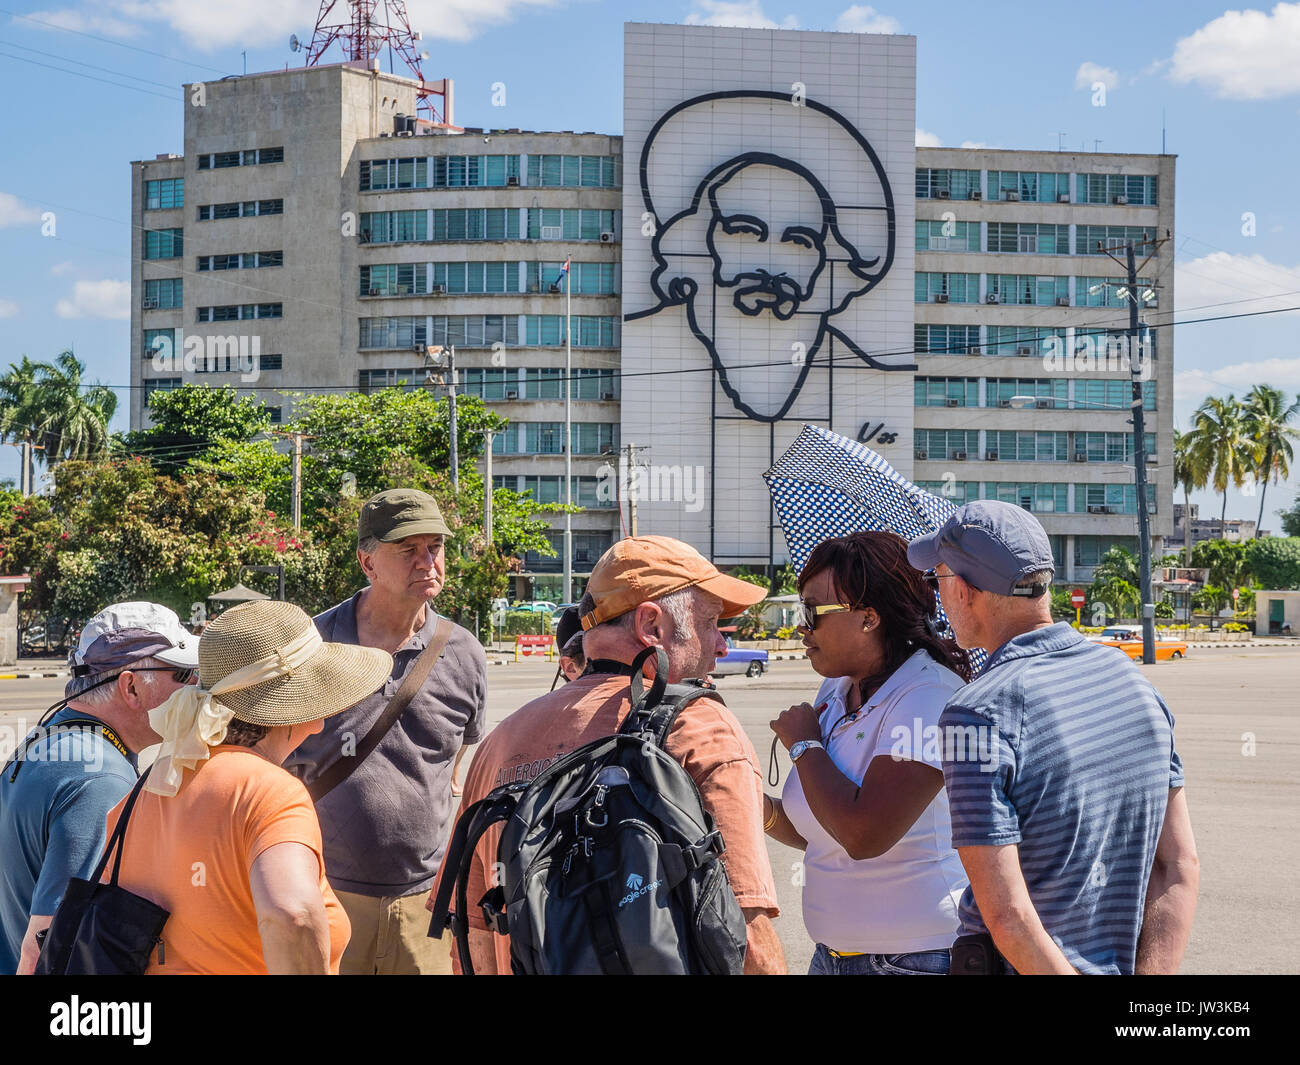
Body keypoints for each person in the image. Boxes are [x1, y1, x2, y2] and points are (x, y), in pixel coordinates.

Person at [435, 535, 786, 974]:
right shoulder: (700, 729)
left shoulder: (498, 743)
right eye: (710, 622)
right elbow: (746, 933)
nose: (721, 645)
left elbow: (475, 937)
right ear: (652, 626)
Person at [907, 500, 1199, 975]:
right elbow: (1177, 866)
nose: (938, 597)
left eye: (936, 579)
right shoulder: (1135, 684)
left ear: (963, 589)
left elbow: (1008, 916)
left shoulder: (975, 713)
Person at [105, 600, 393, 974]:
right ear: (296, 709)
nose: (322, 722)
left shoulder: (150, 787)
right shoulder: (269, 793)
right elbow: (293, 914)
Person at [285, 488, 487, 975]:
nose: (427, 563)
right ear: (367, 562)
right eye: (407, 549)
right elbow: (272, 764)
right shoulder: (311, 646)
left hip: (427, 903)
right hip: (324, 894)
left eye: (434, 548)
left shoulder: (464, 653)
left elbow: (450, 770)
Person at [766, 531, 973, 975]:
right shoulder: (837, 690)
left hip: (915, 959)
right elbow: (824, 832)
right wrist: (753, 806)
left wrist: (804, 745)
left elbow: (863, 836)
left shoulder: (928, 694)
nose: (801, 627)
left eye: (812, 612)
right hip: (834, 956)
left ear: (869, 617)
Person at [0, 602, 199, 975]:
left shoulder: (53, 734)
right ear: (131, 686)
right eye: (184, 673)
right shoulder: (100, 779)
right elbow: (46, 949)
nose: (195, 686)